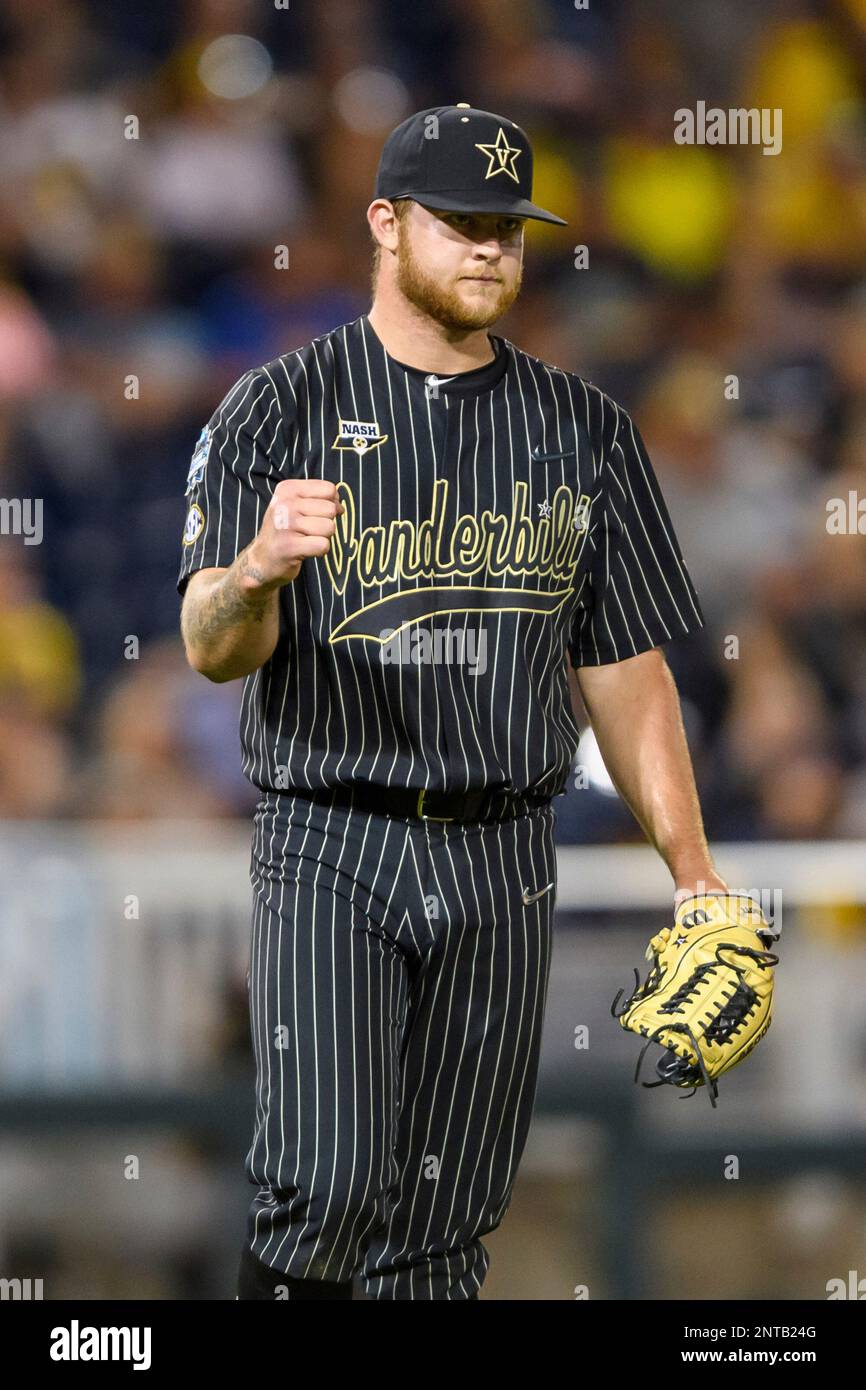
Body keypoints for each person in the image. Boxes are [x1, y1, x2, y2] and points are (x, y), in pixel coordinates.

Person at [177, 104, 726, 1301]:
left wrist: (692, 872)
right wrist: (259, 569)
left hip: (503, 848)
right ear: (383, 223)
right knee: (322, 1184)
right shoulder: (276, 407)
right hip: (333, 832)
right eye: (460, 223)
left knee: (441, 1226)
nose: (488, 249)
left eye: (508, 230)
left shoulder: (582, 428)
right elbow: (211, 646)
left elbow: (624, 665)